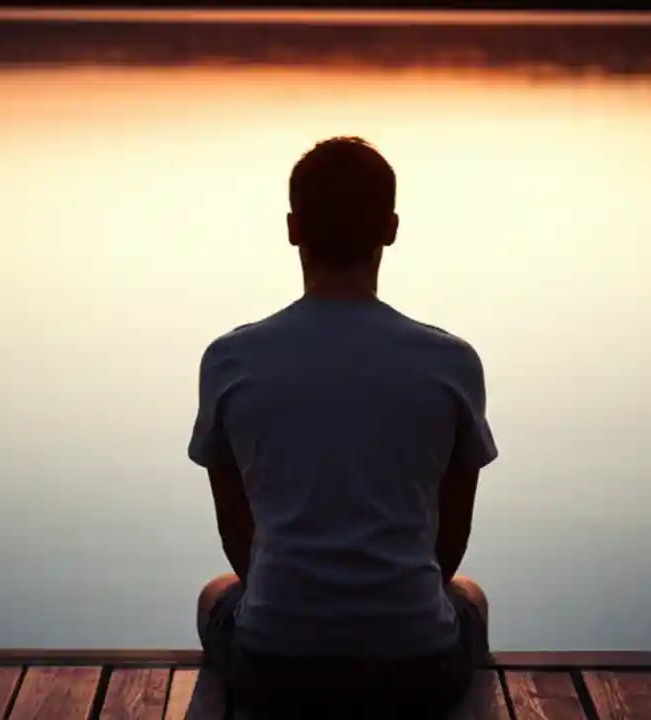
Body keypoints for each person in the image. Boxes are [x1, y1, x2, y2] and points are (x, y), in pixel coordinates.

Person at [189, 136, 498, 718]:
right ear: (391, 228)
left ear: (292, 227)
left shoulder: (231, 360)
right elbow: (448, 544)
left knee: (215, 594)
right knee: (469, 595)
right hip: (417, 669)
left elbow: (239, 537)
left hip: (274, 668)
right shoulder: (452, 363)